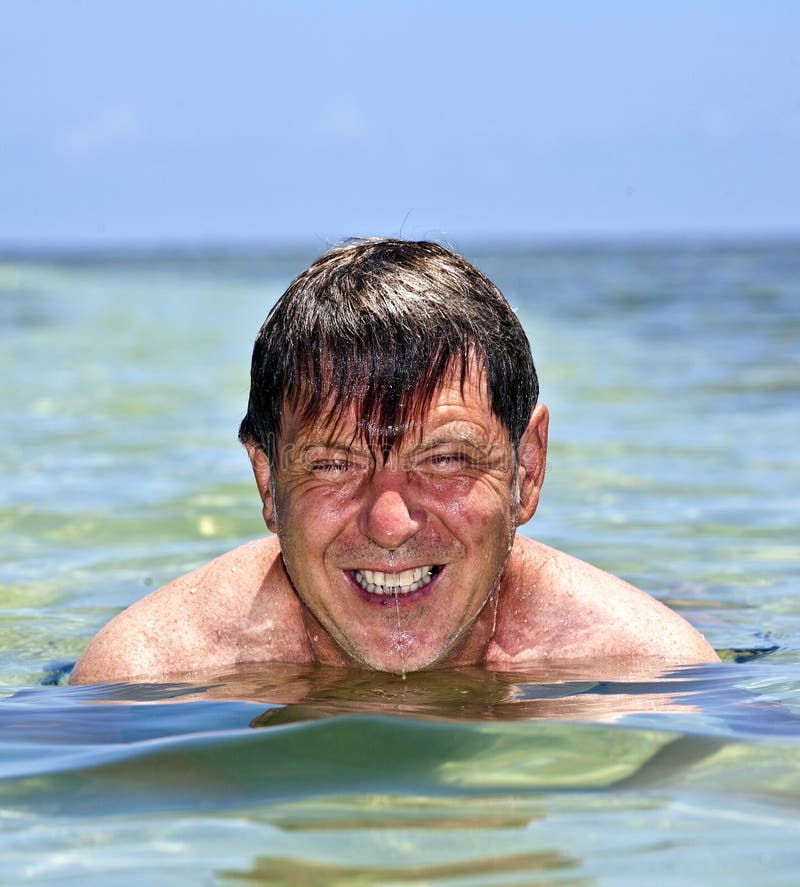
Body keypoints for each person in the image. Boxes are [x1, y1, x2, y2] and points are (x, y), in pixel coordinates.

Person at [71, 238, 718, 684]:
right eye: (334, 463)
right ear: (267, 481)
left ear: (528, 467)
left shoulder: (653, 673)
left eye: (443, 459)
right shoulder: (144, 676)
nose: (389, 523)